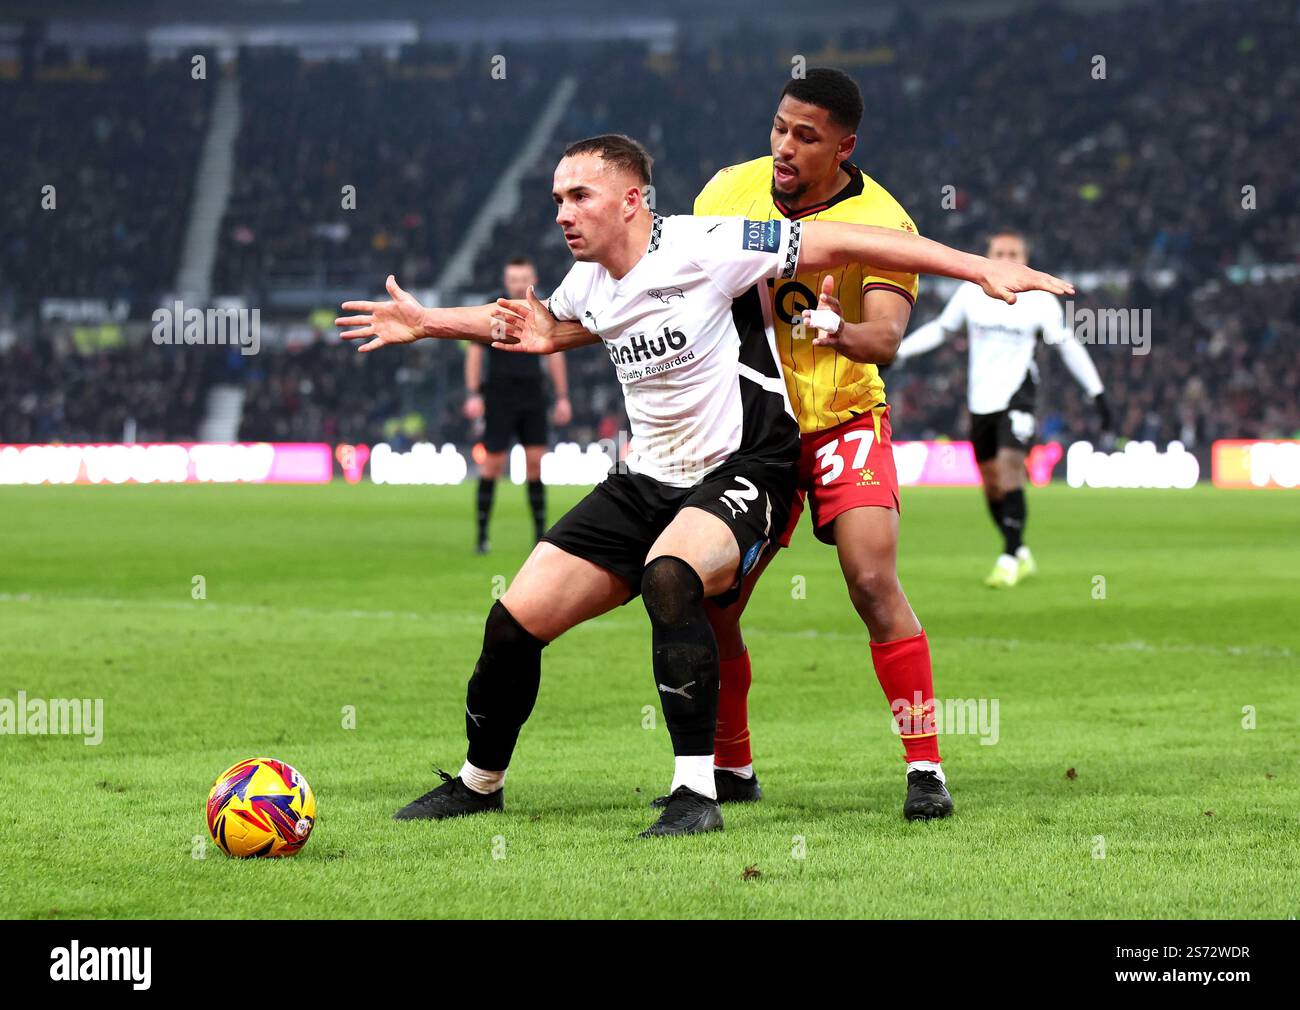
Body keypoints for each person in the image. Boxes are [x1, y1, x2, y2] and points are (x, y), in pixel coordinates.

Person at [335, 133, 1071, 838]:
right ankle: (478, 783)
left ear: (631, 200)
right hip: (648, 476)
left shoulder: (707, 243)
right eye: (556, 197)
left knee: (673, 577)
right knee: (513, 622)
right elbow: (537, 322)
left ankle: (698, 789)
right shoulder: (587, 282)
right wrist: (427, 321)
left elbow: (850, 240)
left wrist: (976, 268)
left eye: (578, 196)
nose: (561, 212)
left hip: (745, 466)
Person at [897, 230, 1109, 588]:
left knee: (1011, 471)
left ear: (1025, 257)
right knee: (992, 484)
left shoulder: (1040, 301)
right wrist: (899, 351)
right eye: (1000, 251)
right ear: (989, 254)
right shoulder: (971, 292)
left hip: (1018, 396)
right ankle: (1019, 550)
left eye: (1014, 252)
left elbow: (1067, 345)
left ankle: (1009, 558)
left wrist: (1096, 392)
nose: (1007, 257)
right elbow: (941, 329)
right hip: (981, 401)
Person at [463, 256, 572, 552]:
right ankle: (482, 537)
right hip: (499, 395)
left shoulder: (545, 308)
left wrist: (562, 397)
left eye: (523, 278)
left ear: (532, 277)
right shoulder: (495, 308)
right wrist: (474, 393)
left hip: (533, 395)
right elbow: (475, 352)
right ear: (506, 280)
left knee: (535, 464)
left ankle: (540, 536)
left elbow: (555, 353)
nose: (518, 283)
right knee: (492, 465)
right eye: (514, 279)